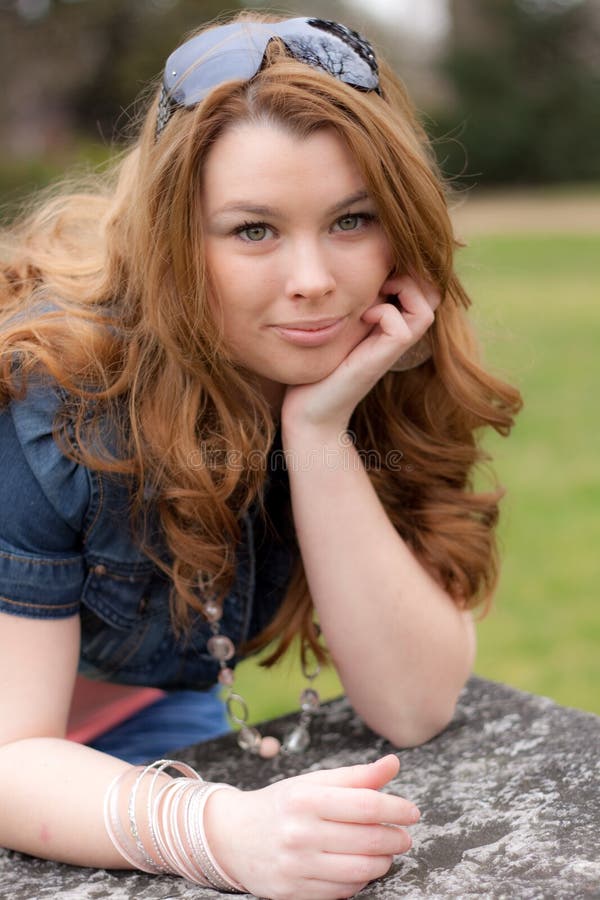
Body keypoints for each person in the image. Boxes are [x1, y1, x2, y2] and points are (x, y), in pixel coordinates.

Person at [0, 12, 522, 899]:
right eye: (253, 231)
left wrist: (317, 432)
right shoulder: (54, 400)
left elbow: (414, 702)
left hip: (155, 721)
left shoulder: (381, 361)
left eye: (352, 219)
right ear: (171, 240)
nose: (315, 278)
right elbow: (10, 759)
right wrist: (220, 832)